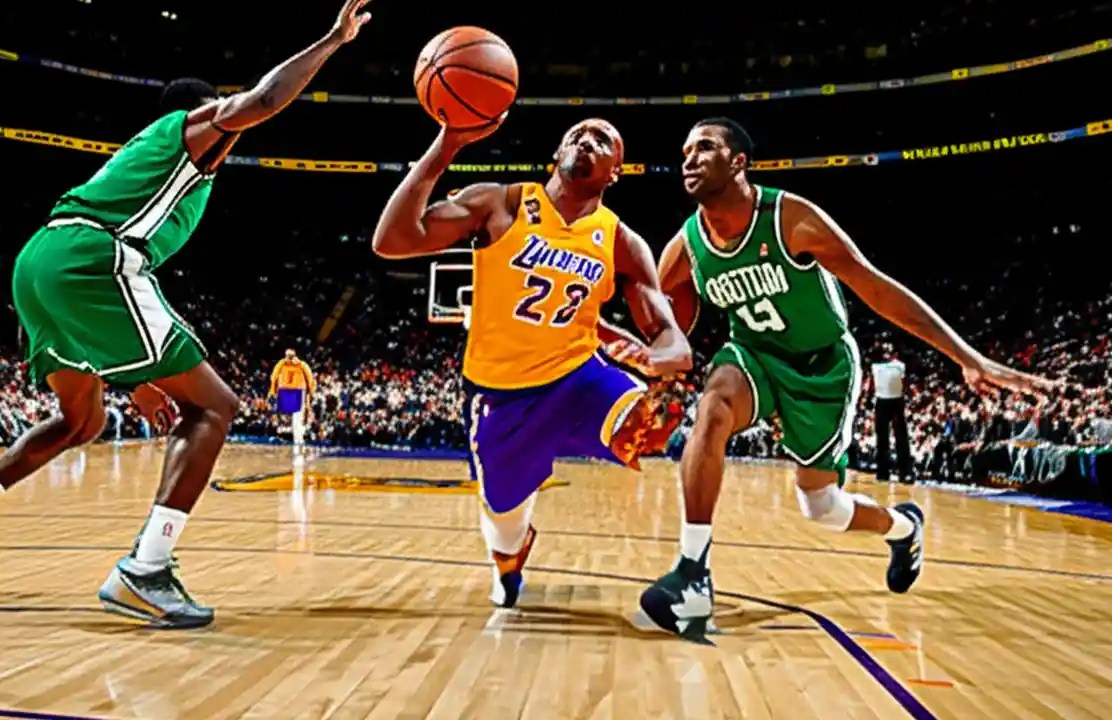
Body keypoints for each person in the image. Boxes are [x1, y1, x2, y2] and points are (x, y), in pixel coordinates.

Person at [0, 0, 375, 630]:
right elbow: (262, 100)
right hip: (90, 257)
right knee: (214, 407)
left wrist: (139, 377)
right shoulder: (187, 130)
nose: (230, 134)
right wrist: (332, 42)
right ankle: (145, 570)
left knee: (82, 420)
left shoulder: (159, 169)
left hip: (44, 262)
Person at [635, 117, 1058, 642]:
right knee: (714, 404)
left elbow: (876, 288)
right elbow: (655, 307)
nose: (690, 158)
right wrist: (658, 354)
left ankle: (903, 528)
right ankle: (692, 575)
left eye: (705, 147)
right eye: (685, 151)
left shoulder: (792, 219)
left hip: (822, 367)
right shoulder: (688, 246)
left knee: (821, 507)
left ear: (738, 161)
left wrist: (965, 355)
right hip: (752, 356)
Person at [373, 116, 693, 608]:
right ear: (556, 155)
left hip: (577, 380)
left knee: (653, 418)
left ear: (615, 172)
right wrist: (447, 143)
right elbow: (392, 240)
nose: (584, 139)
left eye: (602, 138)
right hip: (499, 395)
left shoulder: (622, 243)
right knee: (504, 520)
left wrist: (656, 357)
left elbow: (673, 341)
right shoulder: (500, 203)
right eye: (574, 133)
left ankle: (692, 569)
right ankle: (511, 555)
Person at [870, 344, 912, 482]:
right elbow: (871, 385)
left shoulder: (900, 365)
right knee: (882, 439)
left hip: (896, 401)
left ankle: (905, 472)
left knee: (901, 438)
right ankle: (882, 472)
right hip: (881, 401)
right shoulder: (875, 366)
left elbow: (905, 383)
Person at [268, 348, 316, 456]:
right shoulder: (289, 364)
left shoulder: (298, 365)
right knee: (294, 419)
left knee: (296, 419)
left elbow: (274, 377)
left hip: (295, 390)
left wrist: (272, 390)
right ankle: (297, 441)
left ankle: (298, 442)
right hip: (292, 390)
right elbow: (274, 377)